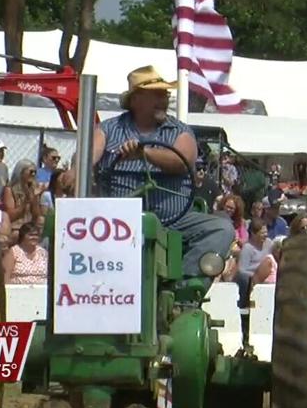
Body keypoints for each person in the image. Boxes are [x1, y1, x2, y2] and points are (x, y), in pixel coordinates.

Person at [89, 65, 234, 278]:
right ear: (135, 99)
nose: (164, 100)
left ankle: (182, 286)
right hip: (118, 222)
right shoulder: (108, 130)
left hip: (175, 221)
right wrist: (75, 171)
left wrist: (144, 153)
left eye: (165, 94)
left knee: (222, 229)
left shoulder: (180, 131)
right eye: (157, 94)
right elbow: (85, 158)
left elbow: (182, 161)